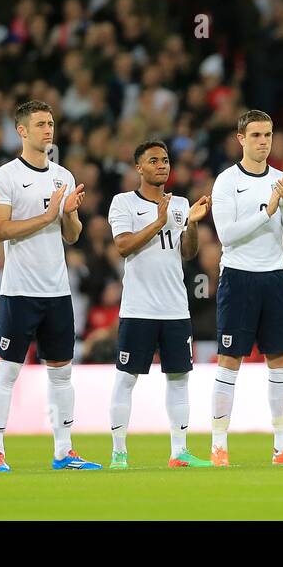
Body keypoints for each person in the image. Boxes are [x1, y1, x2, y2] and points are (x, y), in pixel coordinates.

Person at [0, 100, 99, 471]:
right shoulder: (5, 176)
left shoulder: (62, 176)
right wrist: (47, 215)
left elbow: (73, 235)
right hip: (19, 290)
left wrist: (66, 215)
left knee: (62, 372)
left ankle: (64, 451)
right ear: (22, 131)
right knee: (8, 371)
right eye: (40, 124)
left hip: (57, 290)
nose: (48, 130)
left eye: (51, 123)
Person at [208, 110, 283, 466]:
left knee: (281, 360)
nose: (263, 141)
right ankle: (218, 445)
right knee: (229, 360)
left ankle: (282, 446)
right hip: (238, 277)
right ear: (241, 139)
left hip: (274, 279)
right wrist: (267, 210)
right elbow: (227, 235)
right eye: (255, 135)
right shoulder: (226, 181)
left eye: (267, 135)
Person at [107, 140, 213, 468]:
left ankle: (179, 451)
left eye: (165, 160)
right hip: (139, 309)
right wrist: (157, 222)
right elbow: (123, 246)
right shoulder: (123, 203)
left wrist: (191, 223)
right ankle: (119, 452)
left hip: (175, 309)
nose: (162, 165)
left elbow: (188, 252)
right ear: (139, 168)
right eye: (153, 161)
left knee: (179, 378)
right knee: (126, 378)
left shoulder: (180, 204)